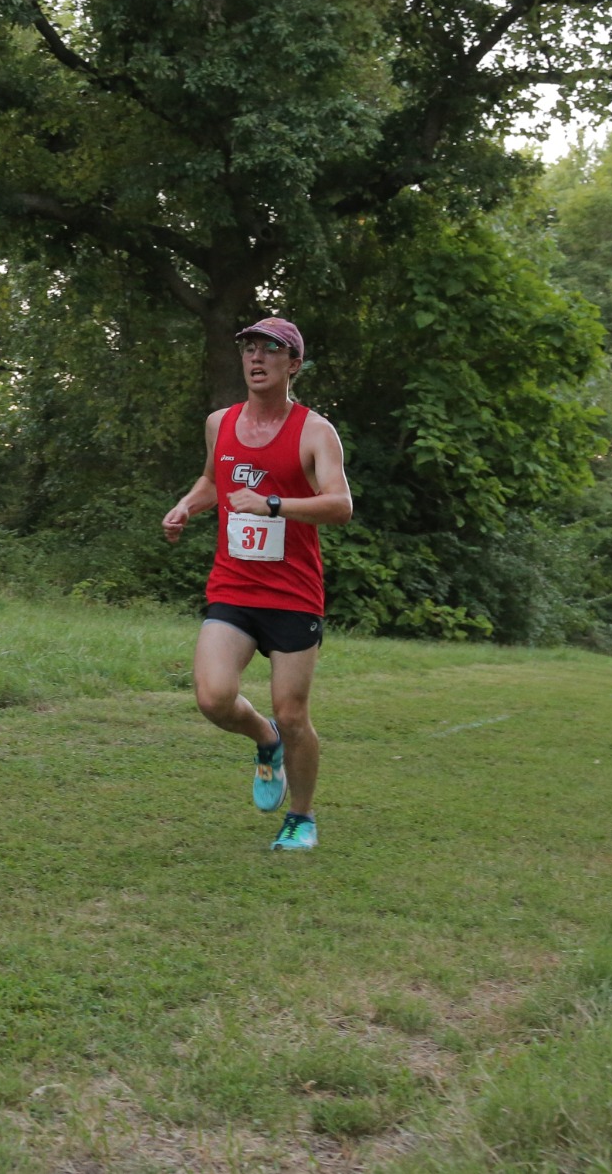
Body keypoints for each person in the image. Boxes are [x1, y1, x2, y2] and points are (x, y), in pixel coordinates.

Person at [160, 317, 353, 851]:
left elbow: (341, 506)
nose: (257, 358)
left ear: (293, 365)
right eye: (250, 348)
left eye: (272, 350)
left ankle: (302, 816)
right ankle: (263, 739)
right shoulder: (219, 422)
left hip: (293, 593)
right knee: (213, 697)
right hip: (234, 587)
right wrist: (187, 504)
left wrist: (273, 503)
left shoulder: (315, 431)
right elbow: (211, 481)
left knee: (294, 714)